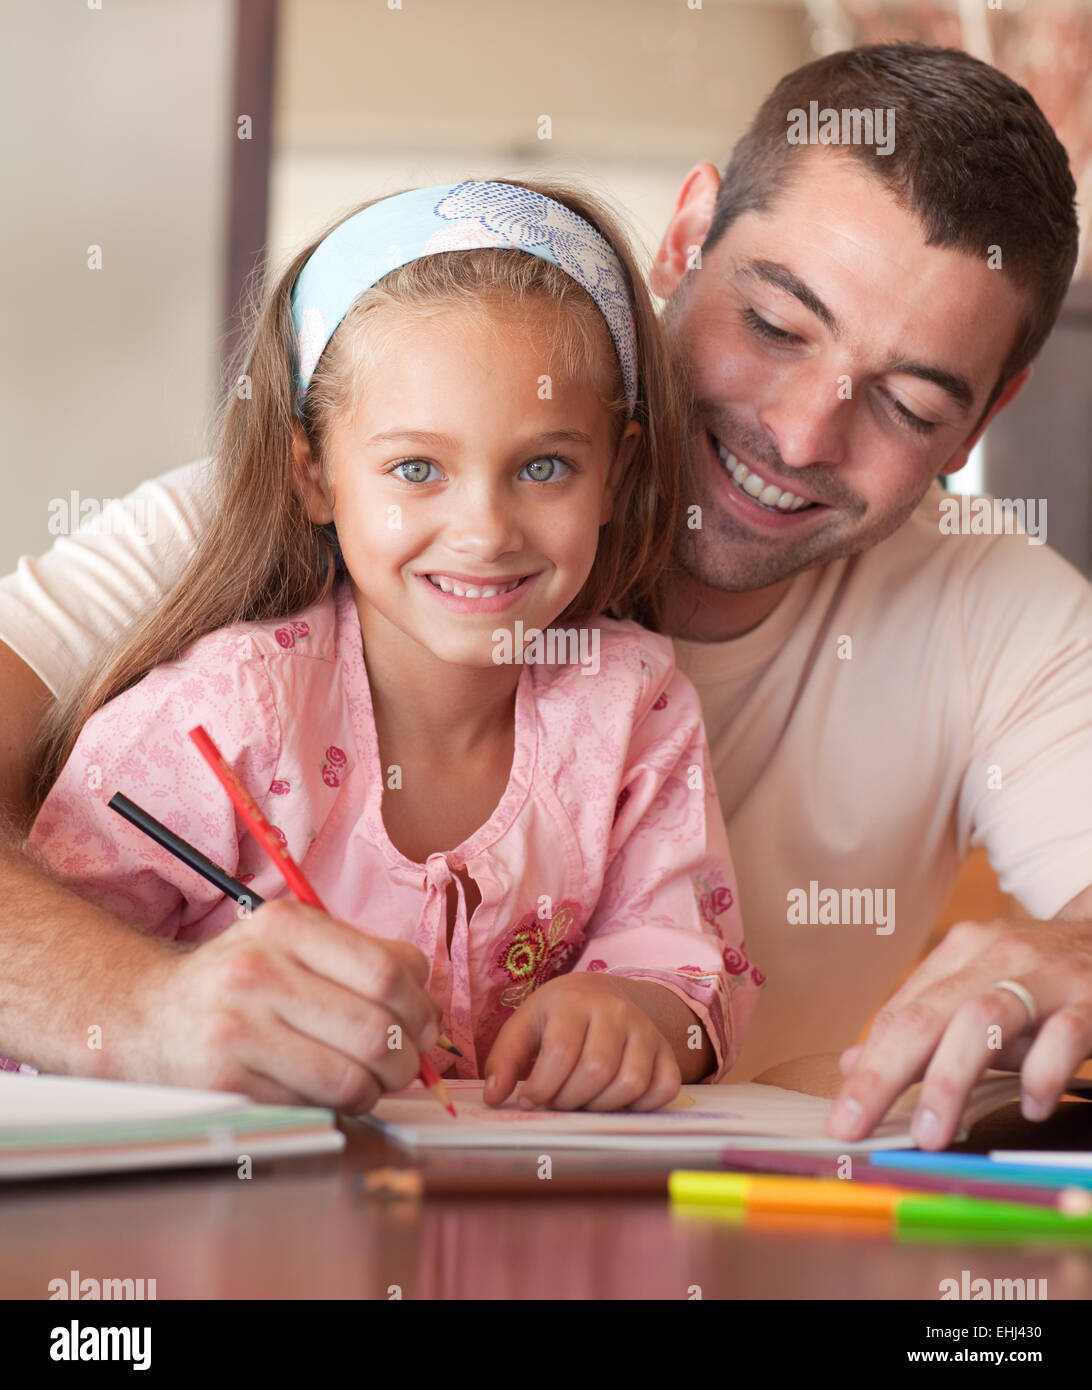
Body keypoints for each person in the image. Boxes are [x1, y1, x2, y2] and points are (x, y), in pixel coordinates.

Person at [1, 42, 1088, 1145]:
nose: (803, 434)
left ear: (990, 415)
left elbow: (684, 967)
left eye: (906, 402)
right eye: (772, 326)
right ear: (685, 234)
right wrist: (136, 1005)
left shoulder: (995, 617)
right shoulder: (257, 548)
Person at [0, 178, 762, 1114]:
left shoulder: (634, 706)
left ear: (619, 473)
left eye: (544, 466)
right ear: (314, 476)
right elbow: (43, 1034)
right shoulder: (225, 710)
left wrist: (634, 1011)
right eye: (416, 469)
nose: (485, 529)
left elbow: (689, 966)